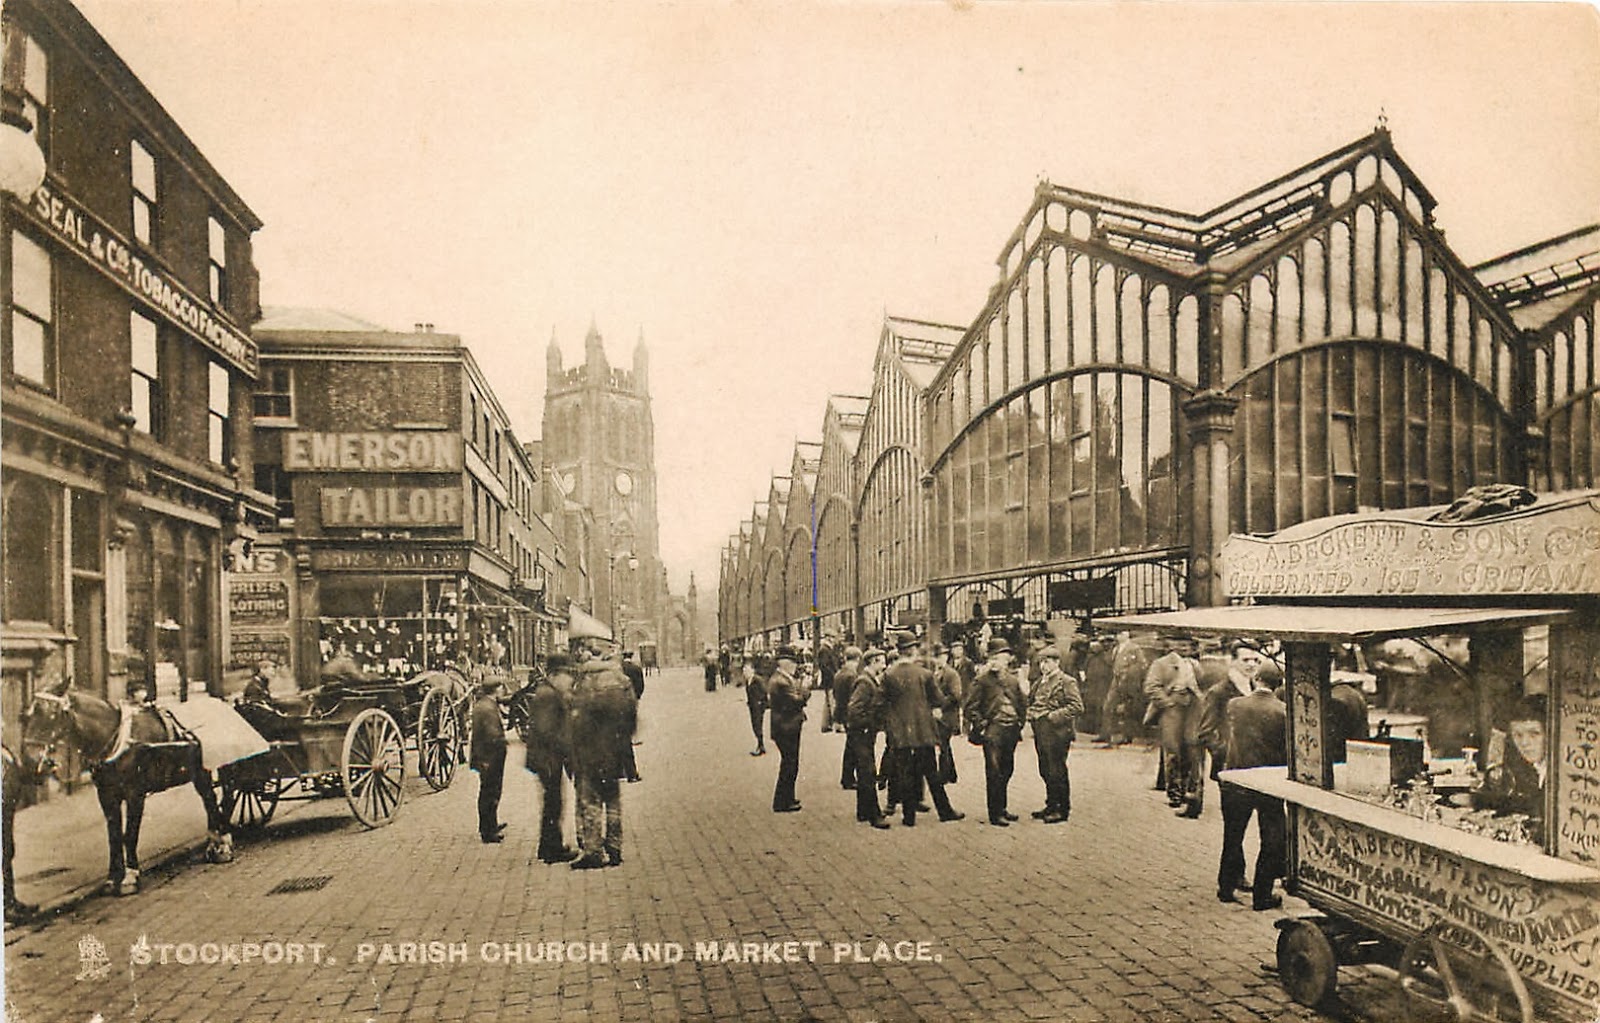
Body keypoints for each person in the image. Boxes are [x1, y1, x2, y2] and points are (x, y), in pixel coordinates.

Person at [1218, 679, 1288, 910]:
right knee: (1271, 838)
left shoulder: (1235, 704)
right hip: (1268, 782)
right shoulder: (1283, 711)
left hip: (1237, 779)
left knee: (1233, 835)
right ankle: (1262, 895)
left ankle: (1226, 887)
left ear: (1257, 680)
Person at [881, 633, 962, 827]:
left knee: (905, 773)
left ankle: (909, 817)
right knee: (931, 773)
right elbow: (939, 700)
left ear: (898, 651)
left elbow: (880, 702)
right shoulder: (925, 674)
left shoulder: (889, 674)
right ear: (914, 650)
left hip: (900, 732)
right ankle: (945, 811)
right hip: (923, 731)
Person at [568, 655, 637, 869]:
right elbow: (631, 719)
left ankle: (593, 850)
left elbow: (576, 722)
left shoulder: (586, 686)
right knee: (613, 801)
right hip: (614, 753)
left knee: (591, 802)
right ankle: (615, 847)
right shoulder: (622, 683)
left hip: (590, 754)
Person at [1197, 639, 1266, 823]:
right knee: (1234, 829)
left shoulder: (1258, 690)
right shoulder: (1219, 692)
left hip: (1258, 766)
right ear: (1233, 661)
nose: (1251, 665)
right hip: (1231, 769)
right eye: (1246, 660)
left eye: (1256, 660)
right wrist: (1226, 754)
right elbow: (1206, 732)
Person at [523, 655, 580, 864]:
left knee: (553, 801)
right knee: (553, 802)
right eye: (567, 675)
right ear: (556, 675)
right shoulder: (548, 695)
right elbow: (547, 730)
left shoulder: (549, 691)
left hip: (547, 757)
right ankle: (551, 849)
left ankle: (549, 846)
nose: (569, 681)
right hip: (547, 758)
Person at [967, 638, 1026, 826]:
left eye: (1005, 657)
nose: (1002, 661)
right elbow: (970, 707)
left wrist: (1020, 723)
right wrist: (982, 724)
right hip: (993, 730)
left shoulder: (1012, 679)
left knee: (1007, 769)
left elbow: (1021, 702)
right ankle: (995, 813)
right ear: (990, 659)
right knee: (994, 771)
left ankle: (1003, 808)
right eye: (999, 657)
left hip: (1011, 729)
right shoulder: (982, 680)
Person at [1475, 697, 1548, 843]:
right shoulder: (1530, 769)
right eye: (1518, 735)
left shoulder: (1561, 773)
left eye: (1534, 734)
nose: (1525, 743)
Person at [1144, 642, 1205, 814]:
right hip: (1172, 708)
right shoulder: (1161, 664)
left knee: (1190, 748)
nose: (1185, 647)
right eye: (1181, 643)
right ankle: (1174, 792)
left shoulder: (1194, 664)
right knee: (1172, 749)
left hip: (1192, 706)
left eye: (1189, 645)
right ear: (1171, 645)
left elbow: (1202, 683)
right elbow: (1151, 687)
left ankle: (1188, 790)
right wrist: (1168, 703)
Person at [1026, 646, 1083, 824]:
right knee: (1045, 769)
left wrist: (1053, 716)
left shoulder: (1066, 681)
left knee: (1057, 769)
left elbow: (1077, 706)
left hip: (1058, 732)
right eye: (1041, 662)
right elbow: (1032, 701)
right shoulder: (1039, 682)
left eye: (1047, 662)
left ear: (1057, 662)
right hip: (1041, 731)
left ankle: (1062, 809)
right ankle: (1051, 804)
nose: (1043, 666)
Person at [847, 648, 891, 828]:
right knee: (867, 771)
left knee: (865, 770)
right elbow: (854, 709)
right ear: (872, 662)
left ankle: (863, 811)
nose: (884, 664)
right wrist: (868, 724)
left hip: (861, 733)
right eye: (881, 661)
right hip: (862, 733)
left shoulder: (868, 680)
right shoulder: (865, 682)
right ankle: (874, 815)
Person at [767, 646, 810, 812]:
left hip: (786, 726)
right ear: (784, 663)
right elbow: (796, 701)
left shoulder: (782, 679)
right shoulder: (782, 681)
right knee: (789, 764)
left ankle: (788, 797)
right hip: (786, 727)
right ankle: (782, 801)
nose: (794, 666)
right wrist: (805, 688)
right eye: (792, 662)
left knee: (790, 763)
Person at [470, 677, 508, 843]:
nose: (503, 690)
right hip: (490, 757)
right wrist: (503, 741)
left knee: (489, 791)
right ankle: (488, 831)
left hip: (486, 756)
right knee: (490, 792)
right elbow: (492, 735)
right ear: (496, 689)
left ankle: (490, 824)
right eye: (501, 688)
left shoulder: (484, 704)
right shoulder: (487, 708)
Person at [929, 644, 963, 785]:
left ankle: (944, 775)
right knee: (944, 744)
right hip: (939, 715)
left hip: (947, 715)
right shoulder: (935, 673)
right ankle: (951, 774)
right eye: (936, 657)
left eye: (941, 657)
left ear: (946, 657)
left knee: (943, 744)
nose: (939, 660)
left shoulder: (951, 674)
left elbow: (956, 695)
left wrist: (940, 706)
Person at [833, 646, 863, 789]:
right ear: (858, 659)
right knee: (853, 747)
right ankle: (849, 778)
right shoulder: (853, 675)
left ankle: (847, 777)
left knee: (850, 747)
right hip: (850, 714)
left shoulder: (839, 674)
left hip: (843, 713)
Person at [745, 654, 770, 756]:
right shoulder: (748, 681)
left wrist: (761, 701)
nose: (744, 672)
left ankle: (761, 746)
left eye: (746, 670)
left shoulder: (757, 680)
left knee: (758, 725)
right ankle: (760, 744)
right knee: (755, 725)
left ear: (752, 670)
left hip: (758, 706)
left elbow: (765, 690)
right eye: (744, 670)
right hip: (752, 706)